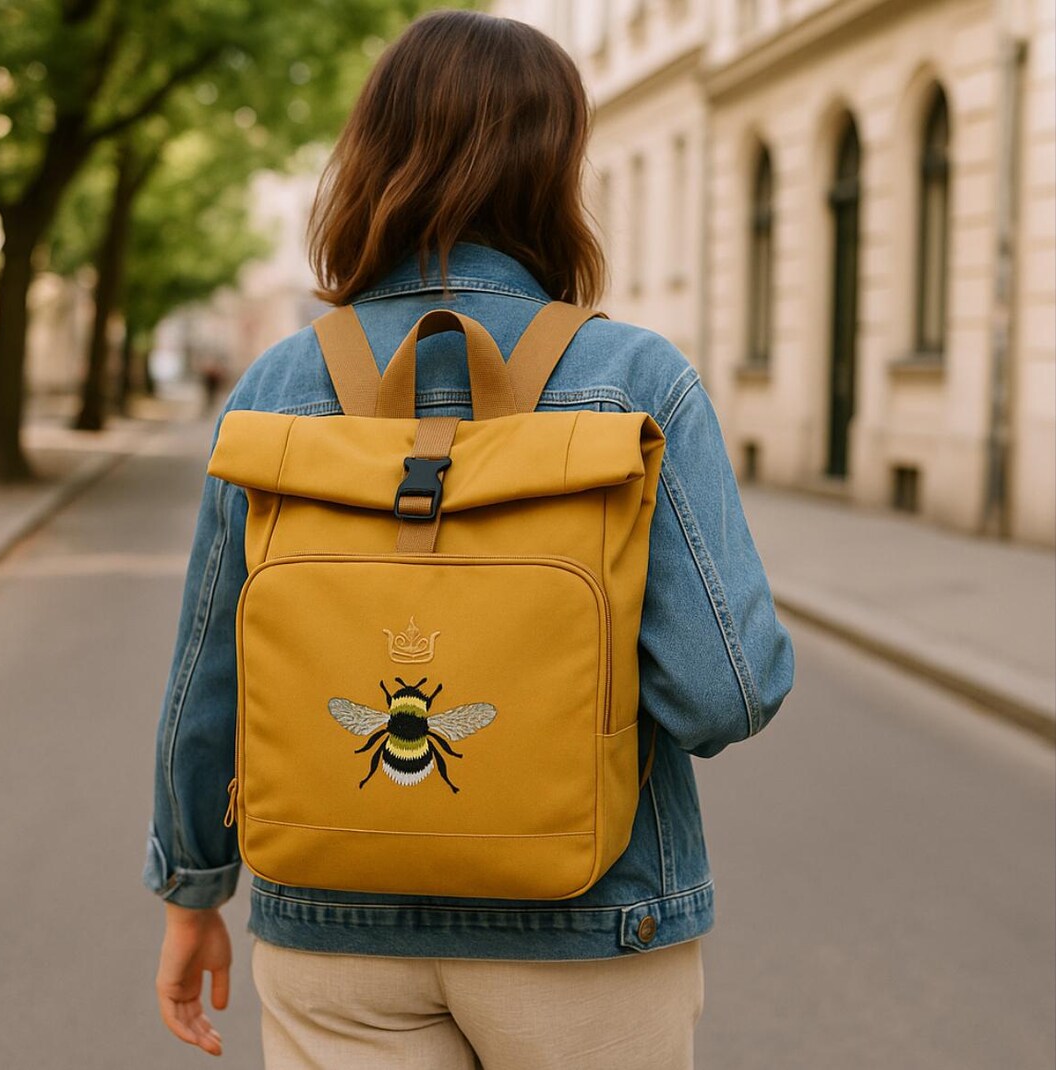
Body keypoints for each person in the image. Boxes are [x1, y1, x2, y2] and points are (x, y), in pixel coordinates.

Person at [144, 9, 795, 1069]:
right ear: (557, 168)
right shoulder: (635, 383)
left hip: (329, 919)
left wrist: (191, 890)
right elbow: (725, 690)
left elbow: (207, 678)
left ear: (370, 157)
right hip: (593, 920)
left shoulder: (276, 389)